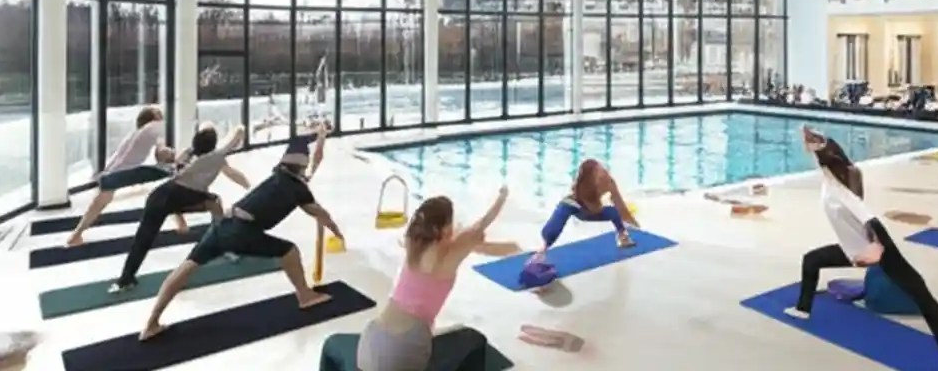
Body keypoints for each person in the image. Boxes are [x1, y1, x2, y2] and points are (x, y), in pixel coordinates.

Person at [139, 134, 348, 341]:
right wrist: (337, 232)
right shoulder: (298, 189)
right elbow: (321, 214)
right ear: (301, 169)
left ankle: (151, 324)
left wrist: (319, 139)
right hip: (241, 231)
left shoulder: (276, 179)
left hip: (222, 225)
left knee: (185, 269)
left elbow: (312, 187)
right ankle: (305, 296)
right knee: (289, 251)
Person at [786, 126, 938, 371]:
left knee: (925, 299)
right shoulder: (831, 177)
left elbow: (871, 220)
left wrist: (877, 247)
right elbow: (825, 149)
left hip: (877, 247)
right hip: (854, 250)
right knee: (812, 260)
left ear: (826, 161)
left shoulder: (843, 194)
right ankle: (803, 309)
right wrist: (813, 138)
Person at [355, 188, 509, 370]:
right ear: (445, 230)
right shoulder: (449, 256)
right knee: (473, 340)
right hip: (404, 348)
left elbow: (468, 237)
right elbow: (483, 223)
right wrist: (502, 197)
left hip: (370, 342)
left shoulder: (413, 244)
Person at [110, 123, 251, 293]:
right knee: (214, 203)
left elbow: (180, 172)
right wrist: (240, 128)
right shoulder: (215, 157)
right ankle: (224, 245)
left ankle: (126, 278)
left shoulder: (189, 154)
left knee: (144, 238)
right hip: (183, 196)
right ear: (213, 144)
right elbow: (235, 138)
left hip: (162, 196)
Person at [66, 106, 178, 247]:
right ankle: (75, 236)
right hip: (123, 172)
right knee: (174, 177)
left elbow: (121, 155)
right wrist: (174, 154)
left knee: (99, 203)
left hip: (111, 172)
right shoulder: (157, 127)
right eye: (159, 113)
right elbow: (161, 150)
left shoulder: (137, 132)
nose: (162, 115)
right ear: (154, 117)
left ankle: (76, 235)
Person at [534, 159, 637, 261]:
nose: (602, 173)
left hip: (590, 211)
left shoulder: (608, 182)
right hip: (575, 206)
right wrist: (546, 243)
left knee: (614, 212)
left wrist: (634, 224)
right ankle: (543, 247)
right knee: (561, 214)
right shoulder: (582, 186)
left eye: (601, 170)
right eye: (597, 172)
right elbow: (567, 208)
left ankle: (623, 237)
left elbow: (619, 204)